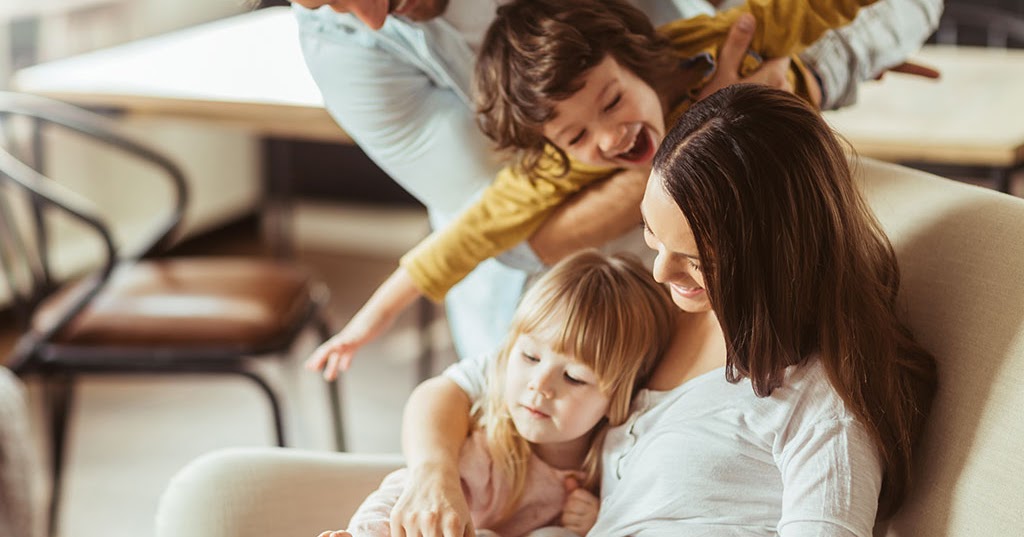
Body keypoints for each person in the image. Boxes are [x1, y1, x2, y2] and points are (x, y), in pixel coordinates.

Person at [395, 84, 939, 536]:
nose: (660, 273)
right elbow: (461, 385)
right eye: (653, 239)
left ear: (775, 260)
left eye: (695, 260)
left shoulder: (825, 406)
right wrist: (433, 472)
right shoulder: (654, 314)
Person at [291, 0, 943, 368]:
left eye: (610, 103)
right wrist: (698, 130)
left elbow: (822, 11)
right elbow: (482, 239)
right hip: (575, 333)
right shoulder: (556, 165)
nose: (368, 18)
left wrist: (821, 69)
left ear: (637, 54)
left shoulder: (705, 40)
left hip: (750, 275)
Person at [314, 250, 676, 537]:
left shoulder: (614, 461)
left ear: (618, 399)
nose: (540, 385)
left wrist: (593, 522)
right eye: (530, 356)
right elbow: (406, 494)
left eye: (574, 377)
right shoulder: (486, 454)